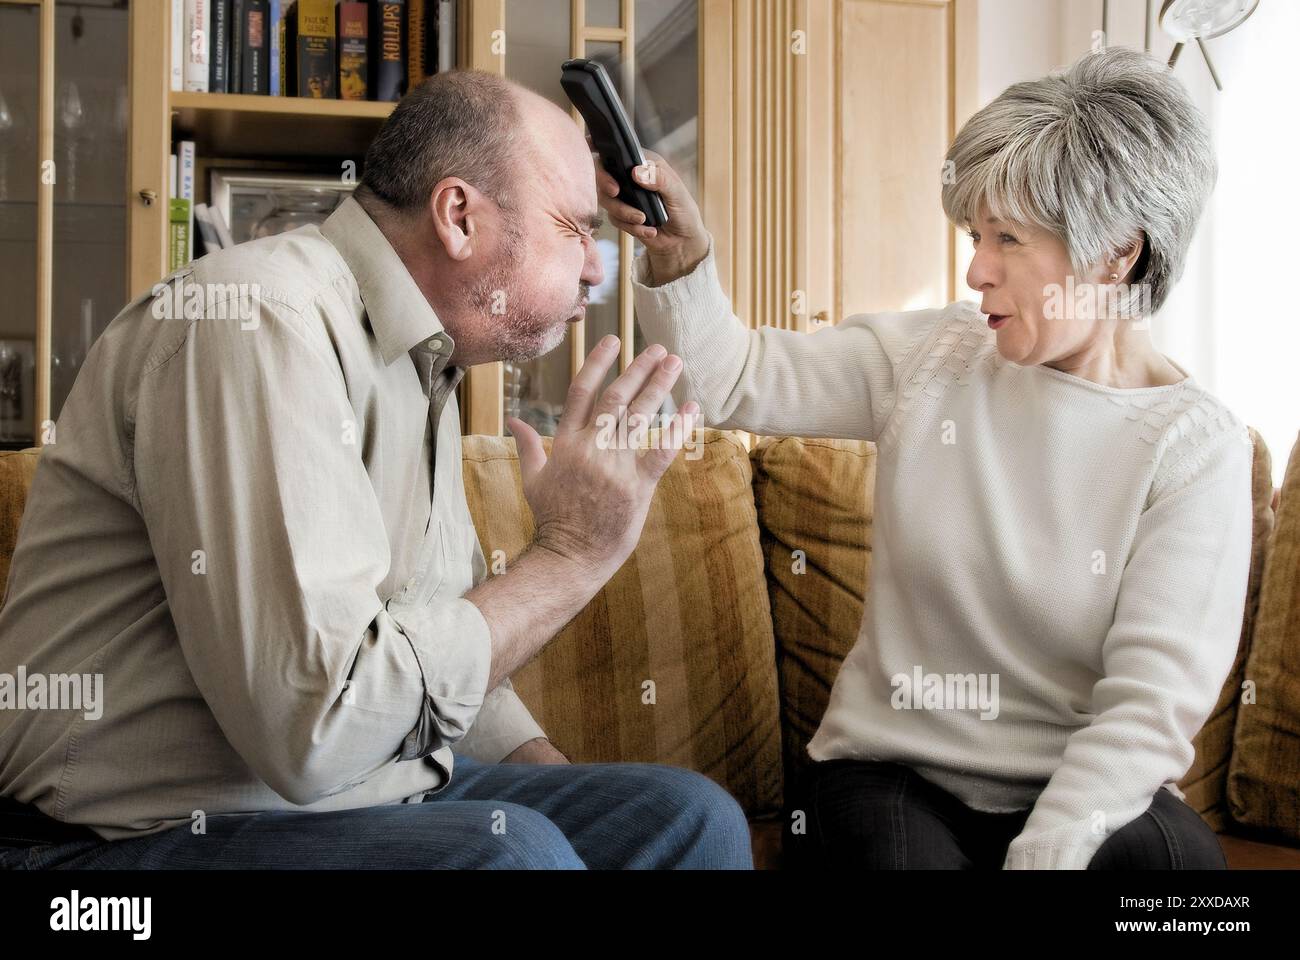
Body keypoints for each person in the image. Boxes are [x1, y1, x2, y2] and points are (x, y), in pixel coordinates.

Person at [0, 71, 751, 870]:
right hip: (115, 843)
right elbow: (315, 730)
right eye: (574, 229)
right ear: (459, 216)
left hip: (363, 799)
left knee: (682, 818)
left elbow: (441, 654)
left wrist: (557, 787)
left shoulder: (424, 361)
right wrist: (571, 555)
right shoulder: (260, 321)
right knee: (512, 860)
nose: (598, 270)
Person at [601, 47, 1251, 869]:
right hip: (890, 775)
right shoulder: (934, 357)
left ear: (1118, 253)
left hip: (1078, 785)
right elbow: (733, 380)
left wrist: (1046, 856)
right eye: (976, 234)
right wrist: (678, 254)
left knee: (1187, 882)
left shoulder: (1194, 449)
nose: (976, 268)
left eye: (1008, 238)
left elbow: (1148, 707)